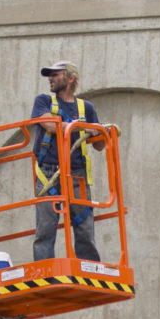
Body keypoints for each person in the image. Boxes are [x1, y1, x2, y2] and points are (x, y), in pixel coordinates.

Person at [31, 60, 103, 261]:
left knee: (85, 228)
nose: (50, 79)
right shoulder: (44, 101)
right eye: (49, 75)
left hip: (76, 173)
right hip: (48, 173)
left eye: (55, 74)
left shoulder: (85, 108)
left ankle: (89, 269)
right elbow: (49, 124)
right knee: (45, 229)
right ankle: (45, 272)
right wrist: (82, 127)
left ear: (71, 78)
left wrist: (98, 132)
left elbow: (99, 145)